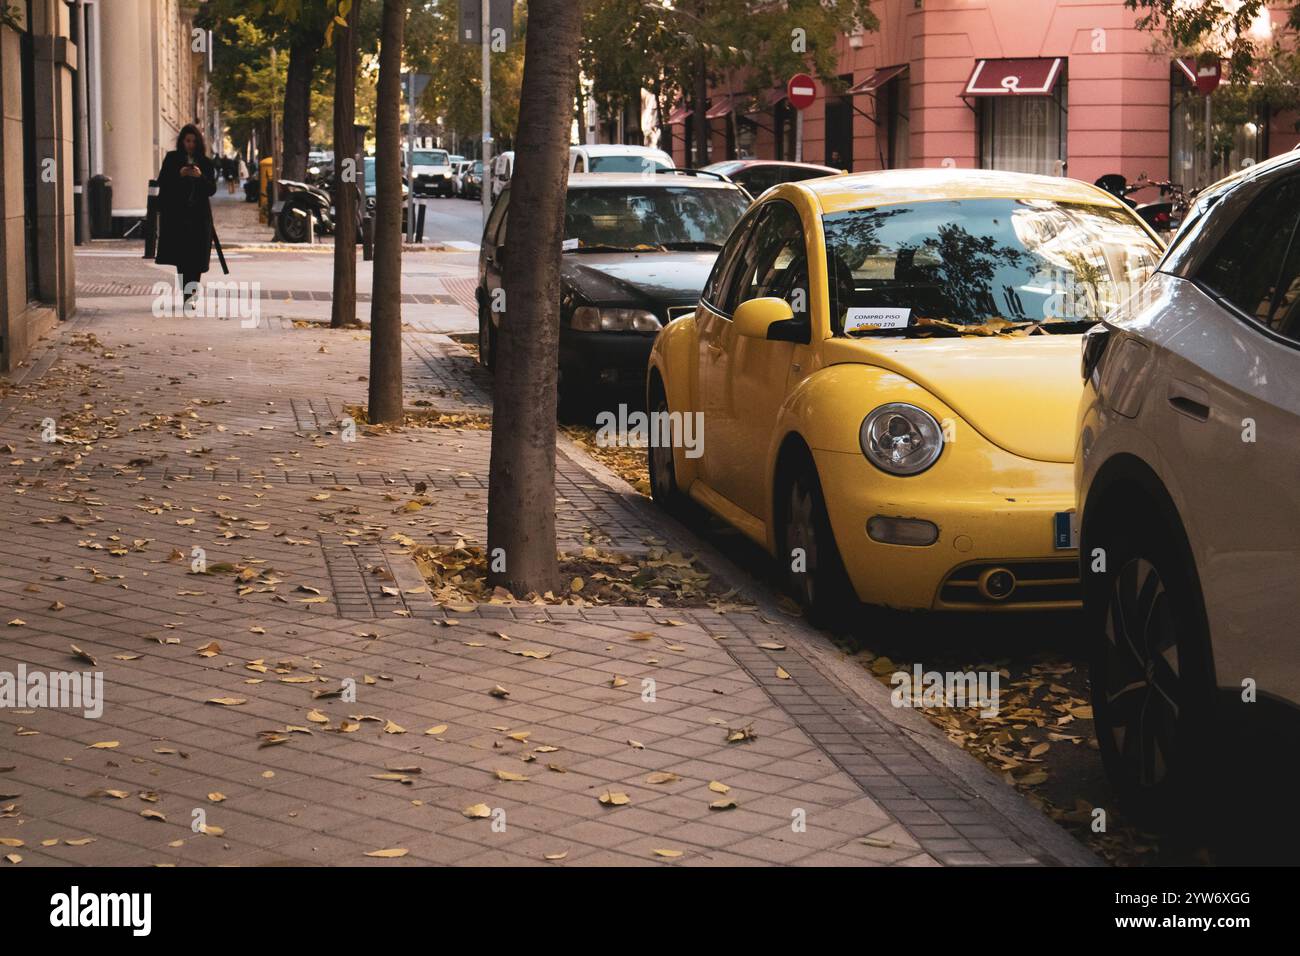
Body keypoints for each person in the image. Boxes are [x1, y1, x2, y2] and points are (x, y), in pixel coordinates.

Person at [154, 124, 217, 307]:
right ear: (182, 141)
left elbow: (211, 189)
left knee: (196, 259)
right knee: (183, 259)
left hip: (199, 218)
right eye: (187, 141)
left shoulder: (205, 163)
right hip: (178, 218)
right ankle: (187, 297)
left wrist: (200, 177)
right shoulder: (172, 159)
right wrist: (178, 174)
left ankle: (191, 295)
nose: (190, 145)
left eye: (194, 141)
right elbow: (163, 183)